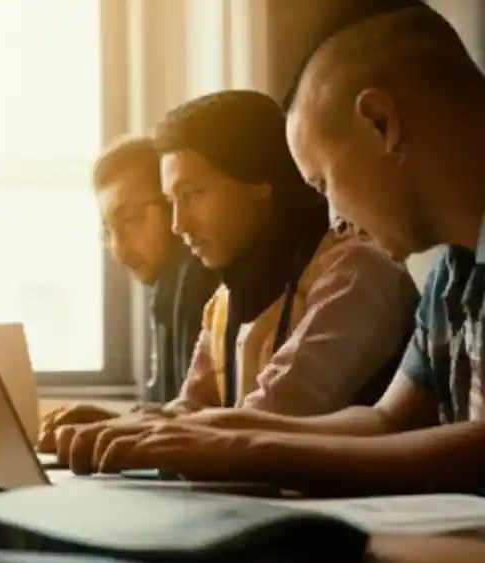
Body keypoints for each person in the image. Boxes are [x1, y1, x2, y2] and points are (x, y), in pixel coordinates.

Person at [57, 6, 485, 491]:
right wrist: (212, 431)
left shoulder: (357, 267)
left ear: (381, 123)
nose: (335, 216)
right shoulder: (453, 276)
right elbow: (384, 421)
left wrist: (244, 447)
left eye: (323, 182)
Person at [40, 90, 418, 455]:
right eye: (172, 202)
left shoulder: (356, 272)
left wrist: (129, 430)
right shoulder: (223, 300)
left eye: (192, 195)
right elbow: (190, 408)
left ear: (258, 181)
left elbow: (278, 408)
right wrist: (113, 426)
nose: (178, 224)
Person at [38, 136, 219, 432]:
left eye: (130, 220)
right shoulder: (165, 289)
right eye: (108, 231)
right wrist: (113, 422)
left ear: (172, 205)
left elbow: (195, 433)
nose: (119, 251)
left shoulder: (194, 281)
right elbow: (175, 419)